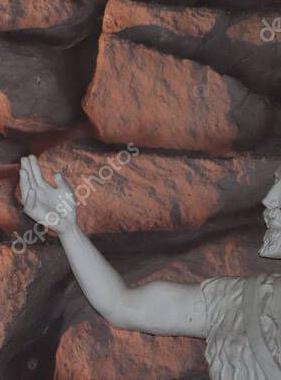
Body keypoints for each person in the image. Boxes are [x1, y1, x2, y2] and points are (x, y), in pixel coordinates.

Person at [19, 154, 281, 380]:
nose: (269, 199)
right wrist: (68, 230)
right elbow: (120, 305)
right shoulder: (239, 302)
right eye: (277, 182)